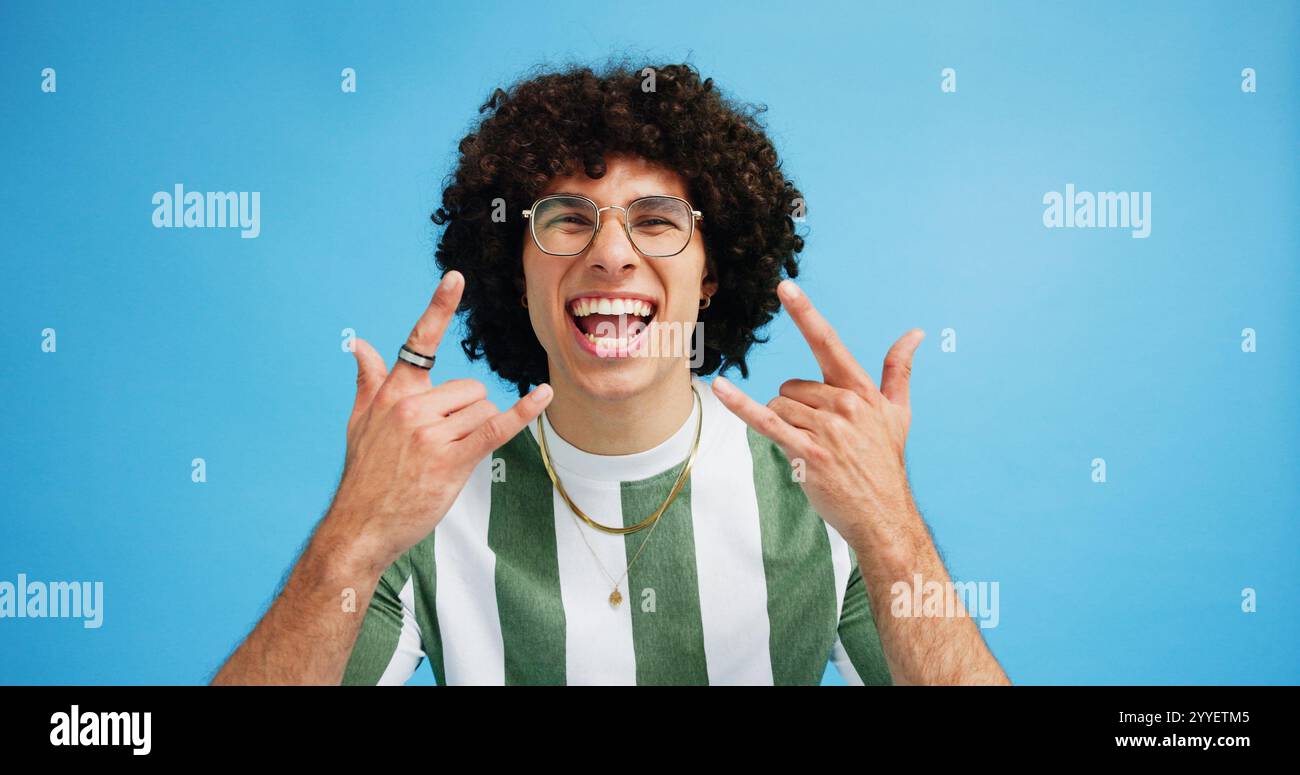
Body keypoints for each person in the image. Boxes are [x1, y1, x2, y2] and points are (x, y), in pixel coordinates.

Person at [211, 62, 1009, 686]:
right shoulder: (427, 501)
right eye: (567, 218)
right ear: (514, 273)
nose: (612, 252)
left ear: (711, 273)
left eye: (657, 221)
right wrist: (352, 534)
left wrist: (889, 524)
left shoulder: (820, 492)